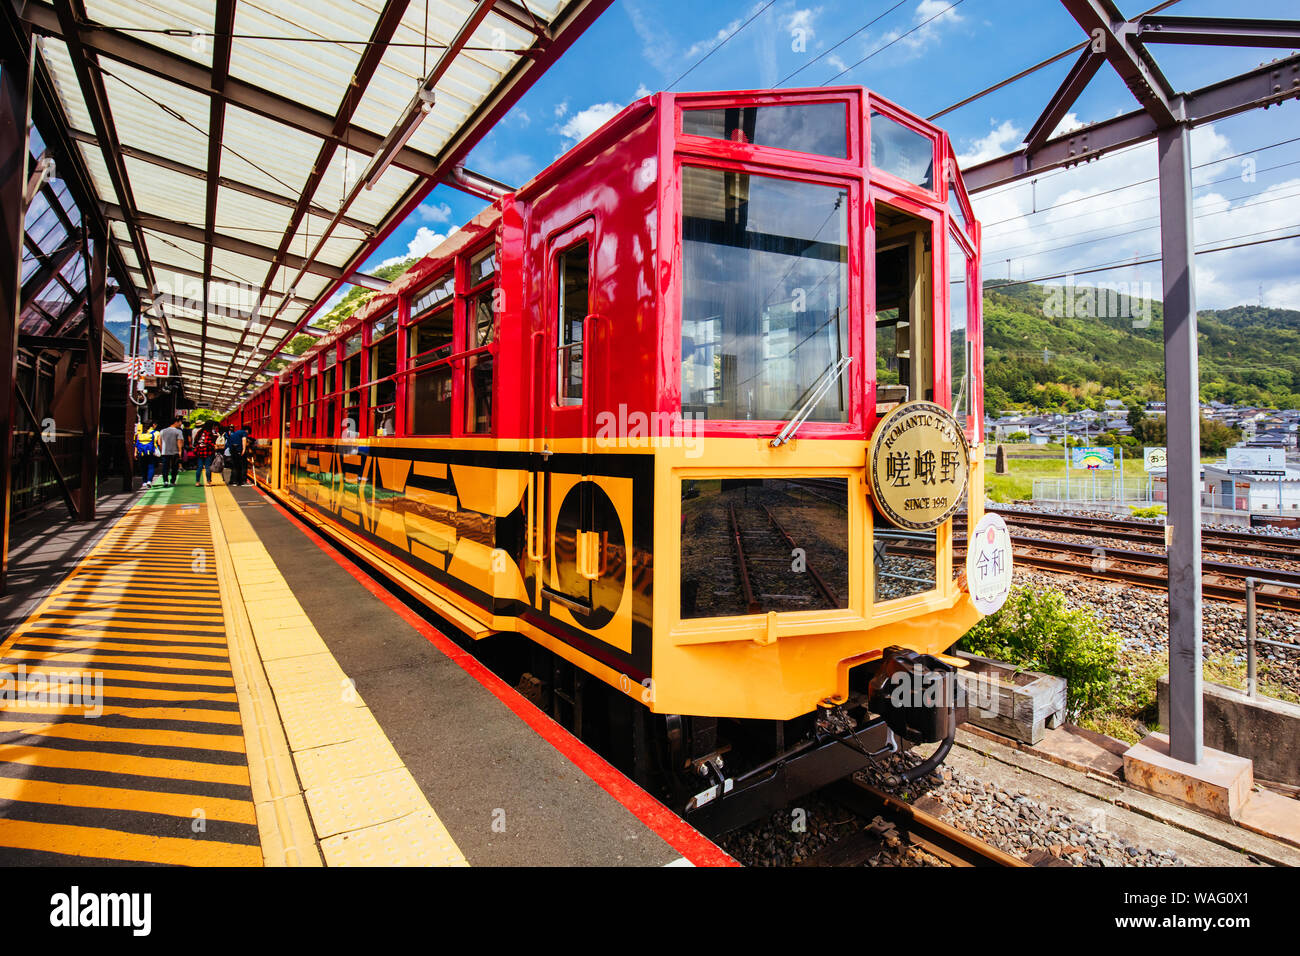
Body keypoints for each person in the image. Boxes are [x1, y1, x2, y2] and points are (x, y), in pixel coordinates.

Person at [156, 415, 184, 486]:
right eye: (180, 422)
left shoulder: (162, 431)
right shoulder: (178, 431)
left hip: (165, 452)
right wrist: (180, 451)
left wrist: (162, 450)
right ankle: (172, 481)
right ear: (175, 422)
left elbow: (159, 442)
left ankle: (165, 481)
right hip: (175, 452)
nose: (181, 424)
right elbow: (179, 442)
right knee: (174, 467)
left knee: (165, 467)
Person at [133, 419, 158, 490]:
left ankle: (144, 481)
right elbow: (156, 444)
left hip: (141, 452)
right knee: (151, 466)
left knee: (143, 466)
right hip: (150, 452)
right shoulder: (154, 434)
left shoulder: (139, 435)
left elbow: (136, 444)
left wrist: (135, 453)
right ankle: (149, 481)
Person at [192, 421, 219, 486]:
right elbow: (208, 442)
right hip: (207, 451)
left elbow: (195, 441)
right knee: (208, 466)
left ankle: (197, 482)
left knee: (200, 467)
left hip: (199, 451)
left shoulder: (200, 432)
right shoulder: (208, 432)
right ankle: (208, 482)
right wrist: (214, 445)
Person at [227, 422, 249, 486]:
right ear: (247, 430)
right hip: (239, 450)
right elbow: (244, 440)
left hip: (233, 450)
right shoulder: (244, 433)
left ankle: (234, 481)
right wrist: (244, 449)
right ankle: (243, 481)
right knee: (243, 466)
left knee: (235, 466)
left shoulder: (235, 433)